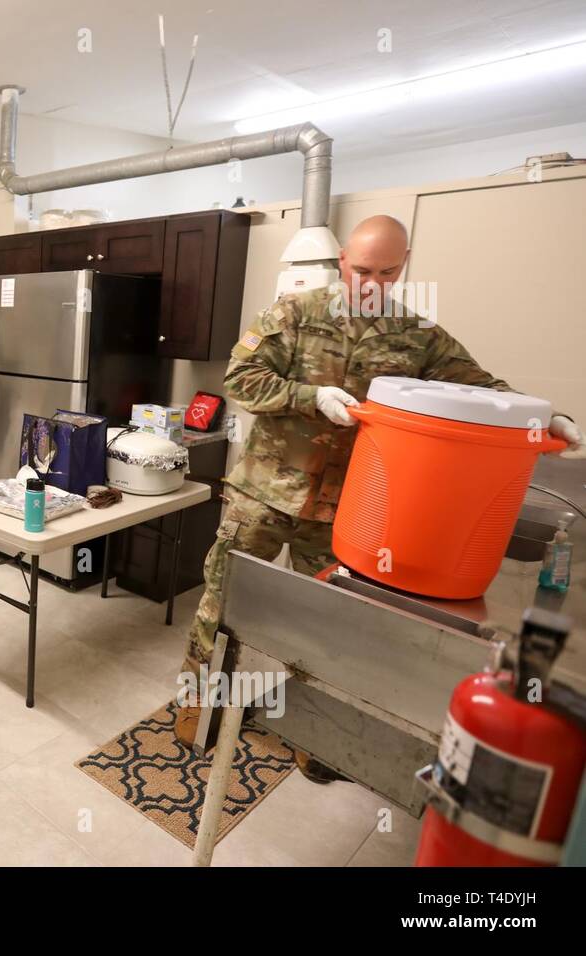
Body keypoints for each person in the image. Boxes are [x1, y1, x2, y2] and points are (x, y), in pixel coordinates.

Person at [176, 215, 584, 779]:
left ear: (405, 265)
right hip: (263, 496)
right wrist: (309, 395)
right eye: (362, 269)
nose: (371, 282)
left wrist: (548, 417)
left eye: (387, 271)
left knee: (327, 627)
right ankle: (199, 705)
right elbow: (240, 380)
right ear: (343, 260)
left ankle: (313, 731)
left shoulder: (419, 337)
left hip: (347, 511)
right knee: (221, 603)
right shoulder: (293, 314)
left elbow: (483, 389)